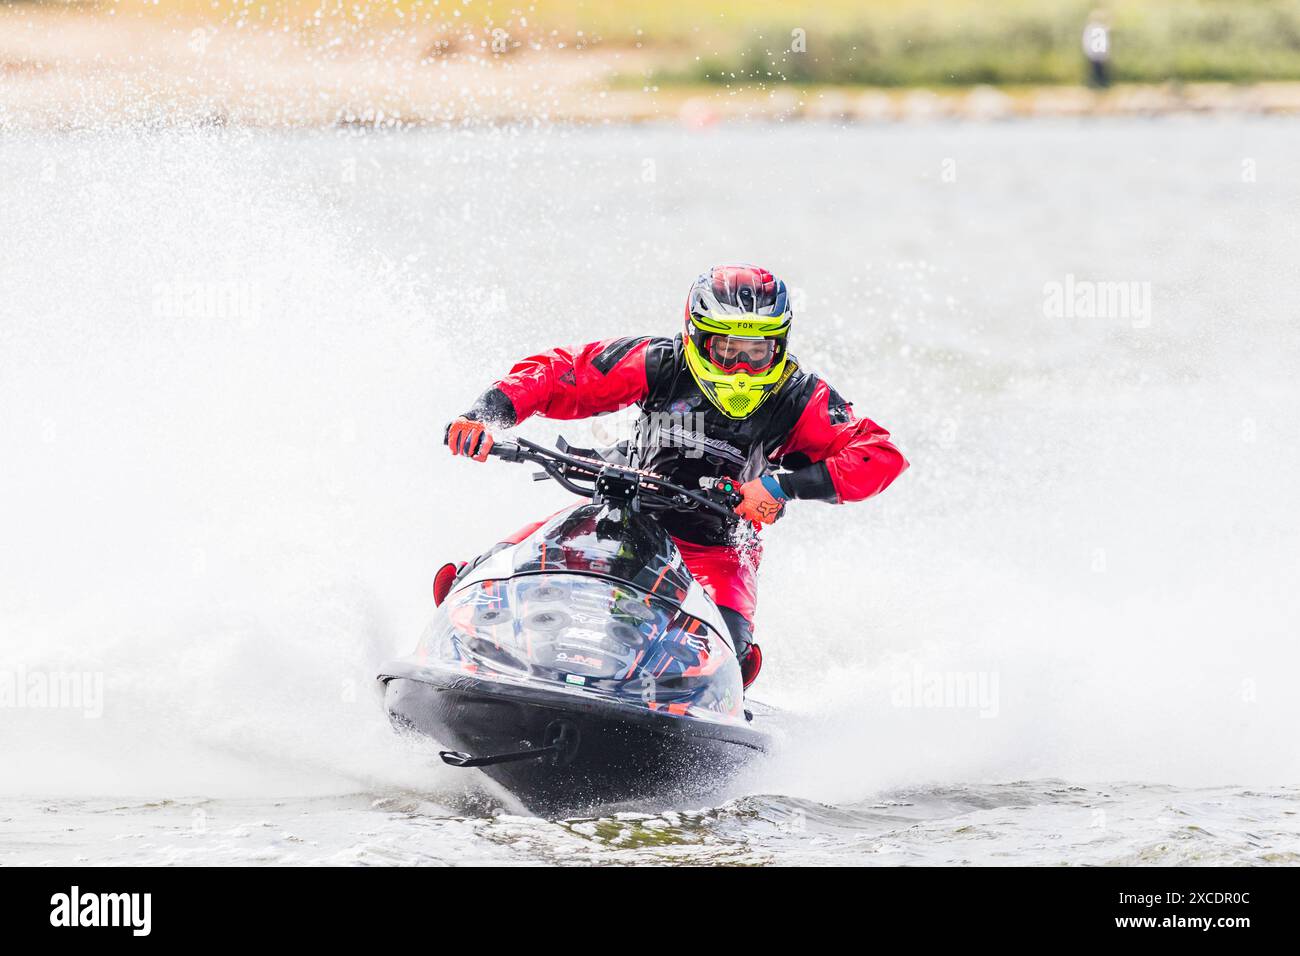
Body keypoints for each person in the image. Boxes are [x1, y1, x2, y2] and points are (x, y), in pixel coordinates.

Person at [442, 264, 908, 688]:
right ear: (698, 338)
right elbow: (564, 372)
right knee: (496, 567)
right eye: (728, 348)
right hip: (620, 515)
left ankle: (700, 700)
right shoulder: (661, 362)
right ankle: (460, 619)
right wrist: (484, 416)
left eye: (758, 350)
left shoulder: (799, 397)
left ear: (780, 345)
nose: (742, 367)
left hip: (716, 548)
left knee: (733, 653)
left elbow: (879, 455)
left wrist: (780, 486)